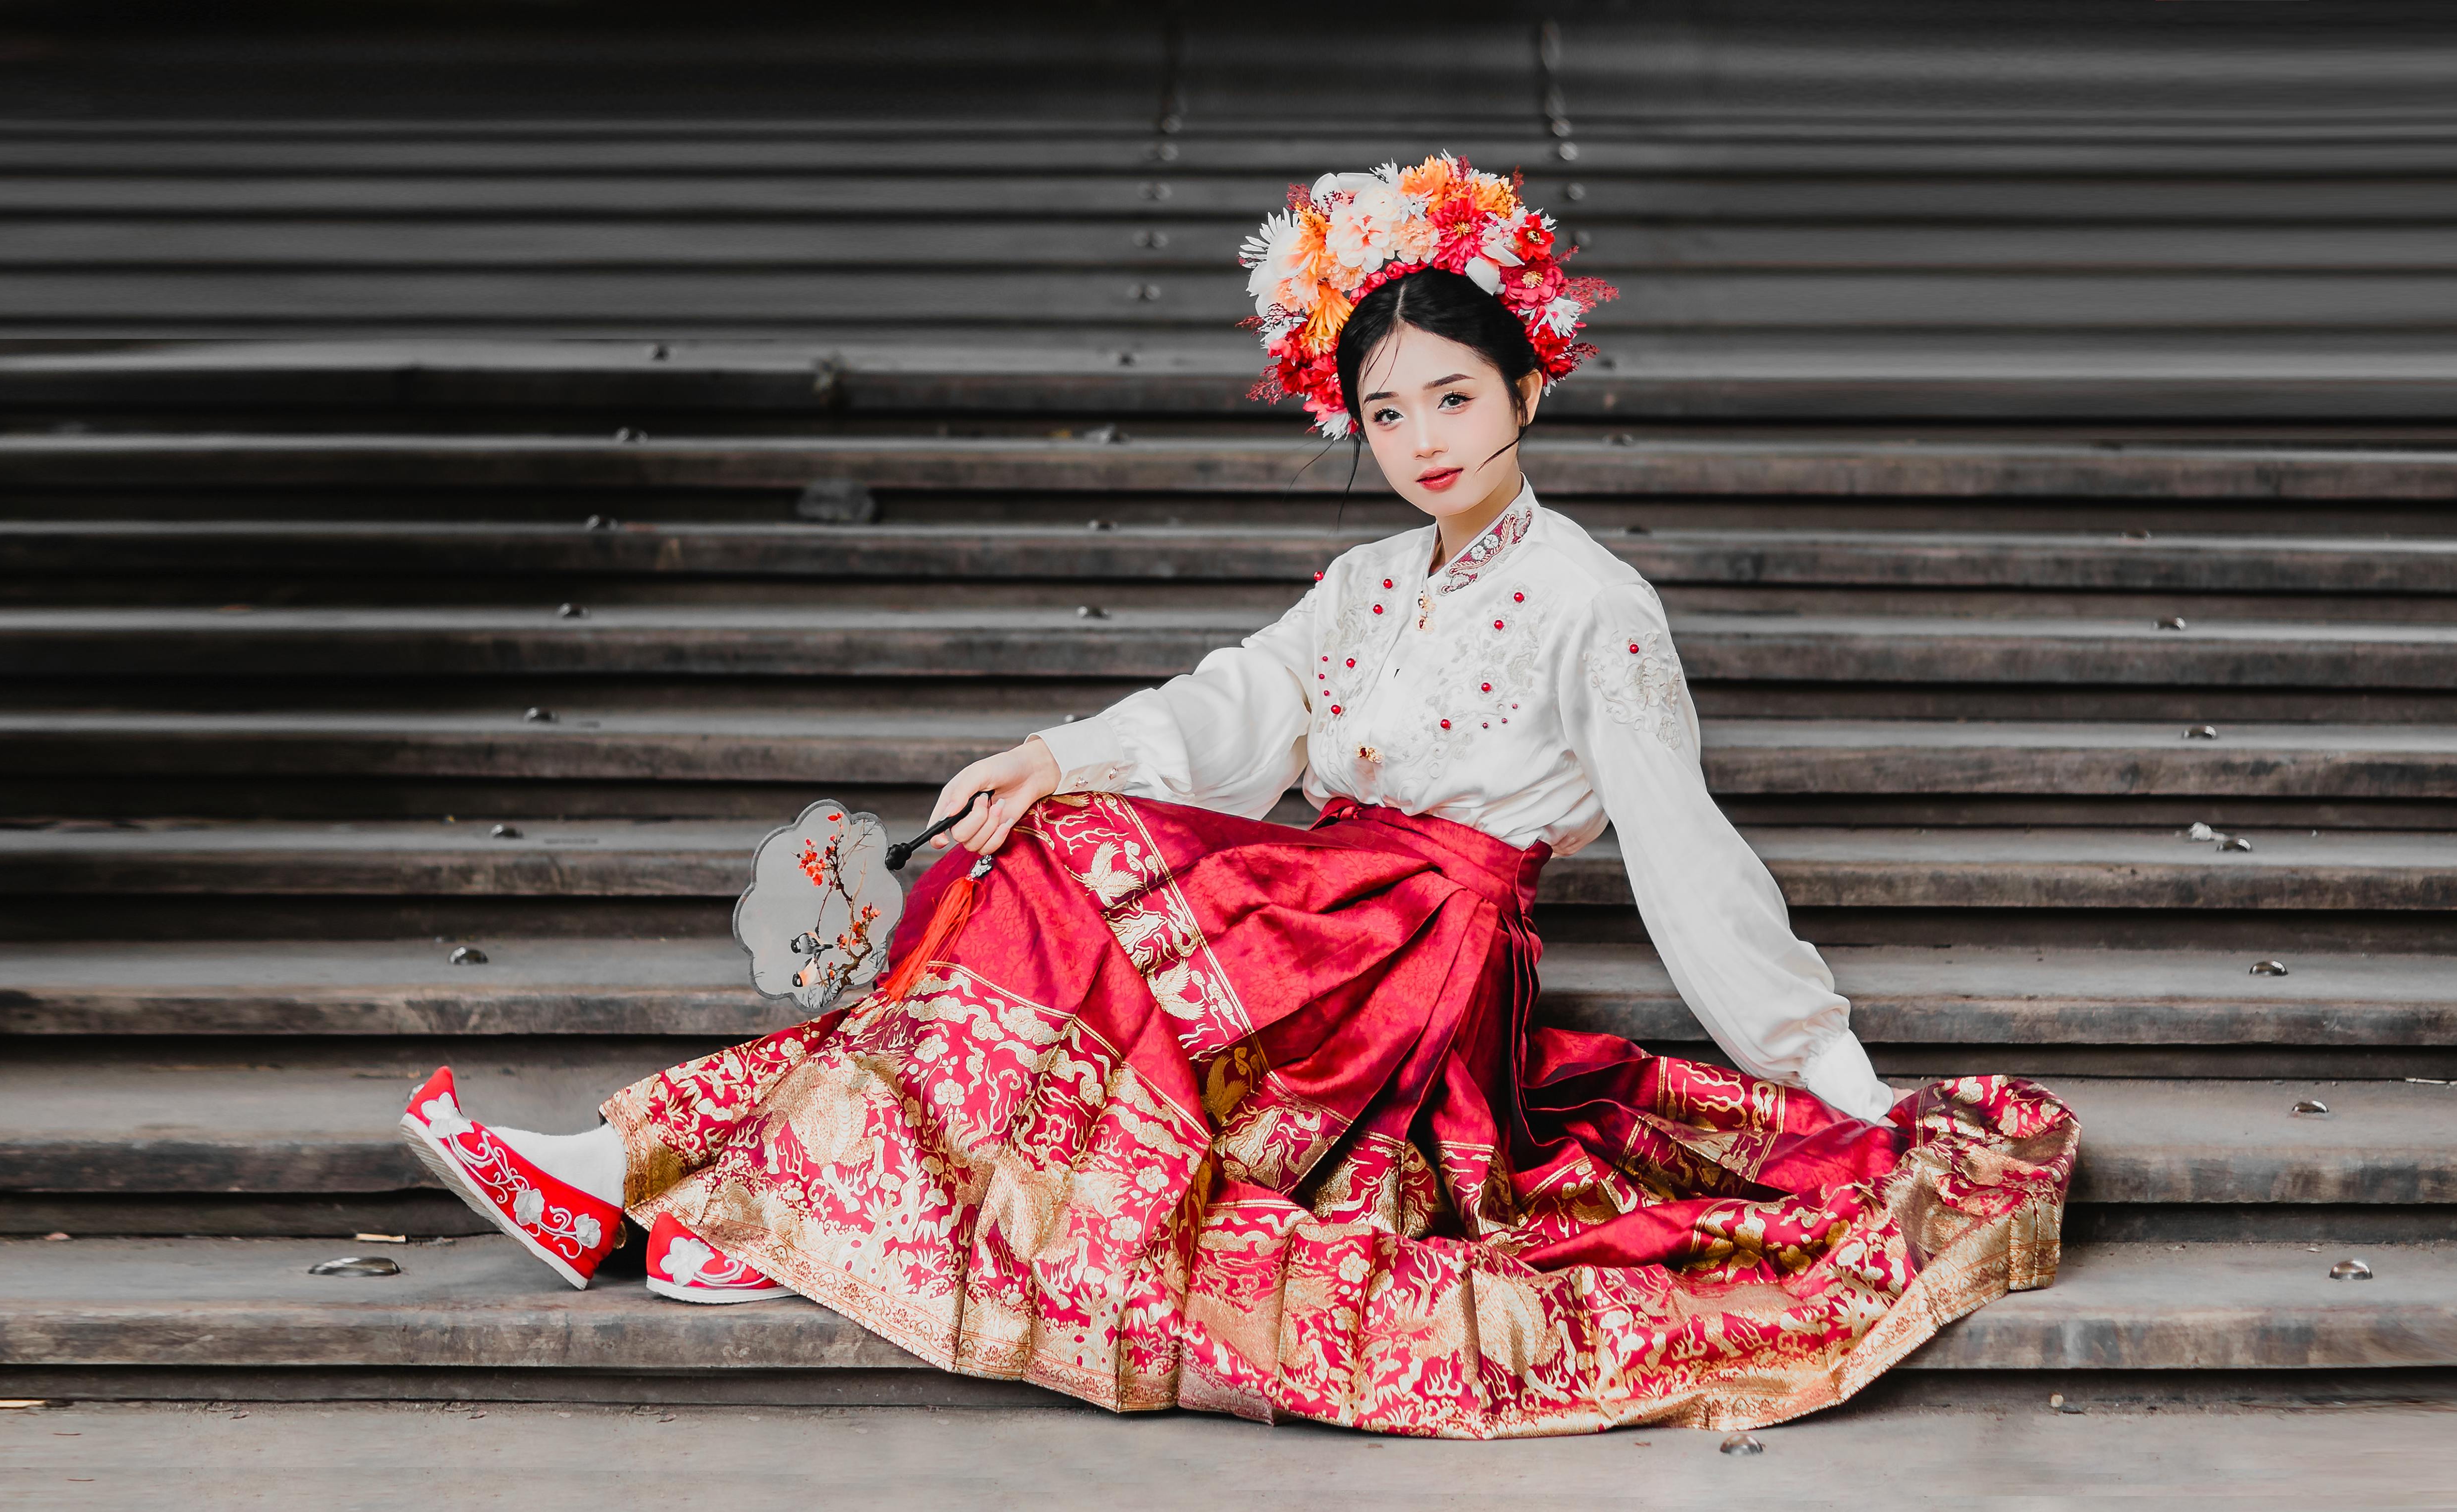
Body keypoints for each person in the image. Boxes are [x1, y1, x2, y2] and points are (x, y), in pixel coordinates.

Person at [400, 156, 2075, 1437]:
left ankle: (670, 1182)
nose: (1421, 437)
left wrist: (1823, 1068)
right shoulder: (1360, 582)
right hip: (1310, 911)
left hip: (1416, 964)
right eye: (1386, 410)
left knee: (1070, 884)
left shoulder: (1592, 600)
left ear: (1531, 392)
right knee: (1036, 842)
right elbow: (1237, 707)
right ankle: (686, 1183)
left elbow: (1682, 851)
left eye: (1455, 398)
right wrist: (1056, 750)